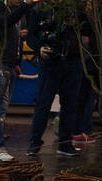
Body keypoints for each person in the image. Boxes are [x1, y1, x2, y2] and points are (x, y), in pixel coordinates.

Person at [0, 0, 32, 162]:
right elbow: (5, 23)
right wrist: (26, 5)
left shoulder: (5, 8)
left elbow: (9, 35)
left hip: (5, 65)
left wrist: (16, 62)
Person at [27, 0, 81, 156]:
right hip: (50, 62)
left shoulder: (75, 9)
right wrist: (39, 47)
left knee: (69, 105)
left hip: (72, 61)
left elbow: (88, 30)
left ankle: (64, 143)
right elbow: (31, 35)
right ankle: (34, 142)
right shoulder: (39, 9)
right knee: (43, 104)